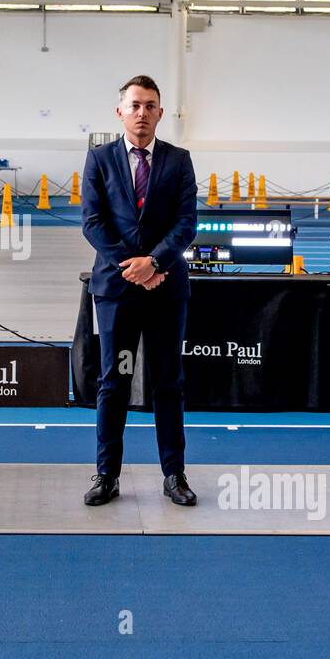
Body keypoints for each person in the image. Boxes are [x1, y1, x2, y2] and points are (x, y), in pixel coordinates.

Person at [81, 75, 200, 507]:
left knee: (169, 384)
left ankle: (174, 475)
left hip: (167, 288)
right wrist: (133, 267)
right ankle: (105, 475)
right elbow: (93, 222)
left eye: (150, 106)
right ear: (120, 112)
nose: (142, 113)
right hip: (116, 289)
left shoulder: (179, 159)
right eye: (134, 105)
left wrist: (156, 263)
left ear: (160, 113)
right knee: (113, 382)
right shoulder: (99, 159)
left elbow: (187, 221)